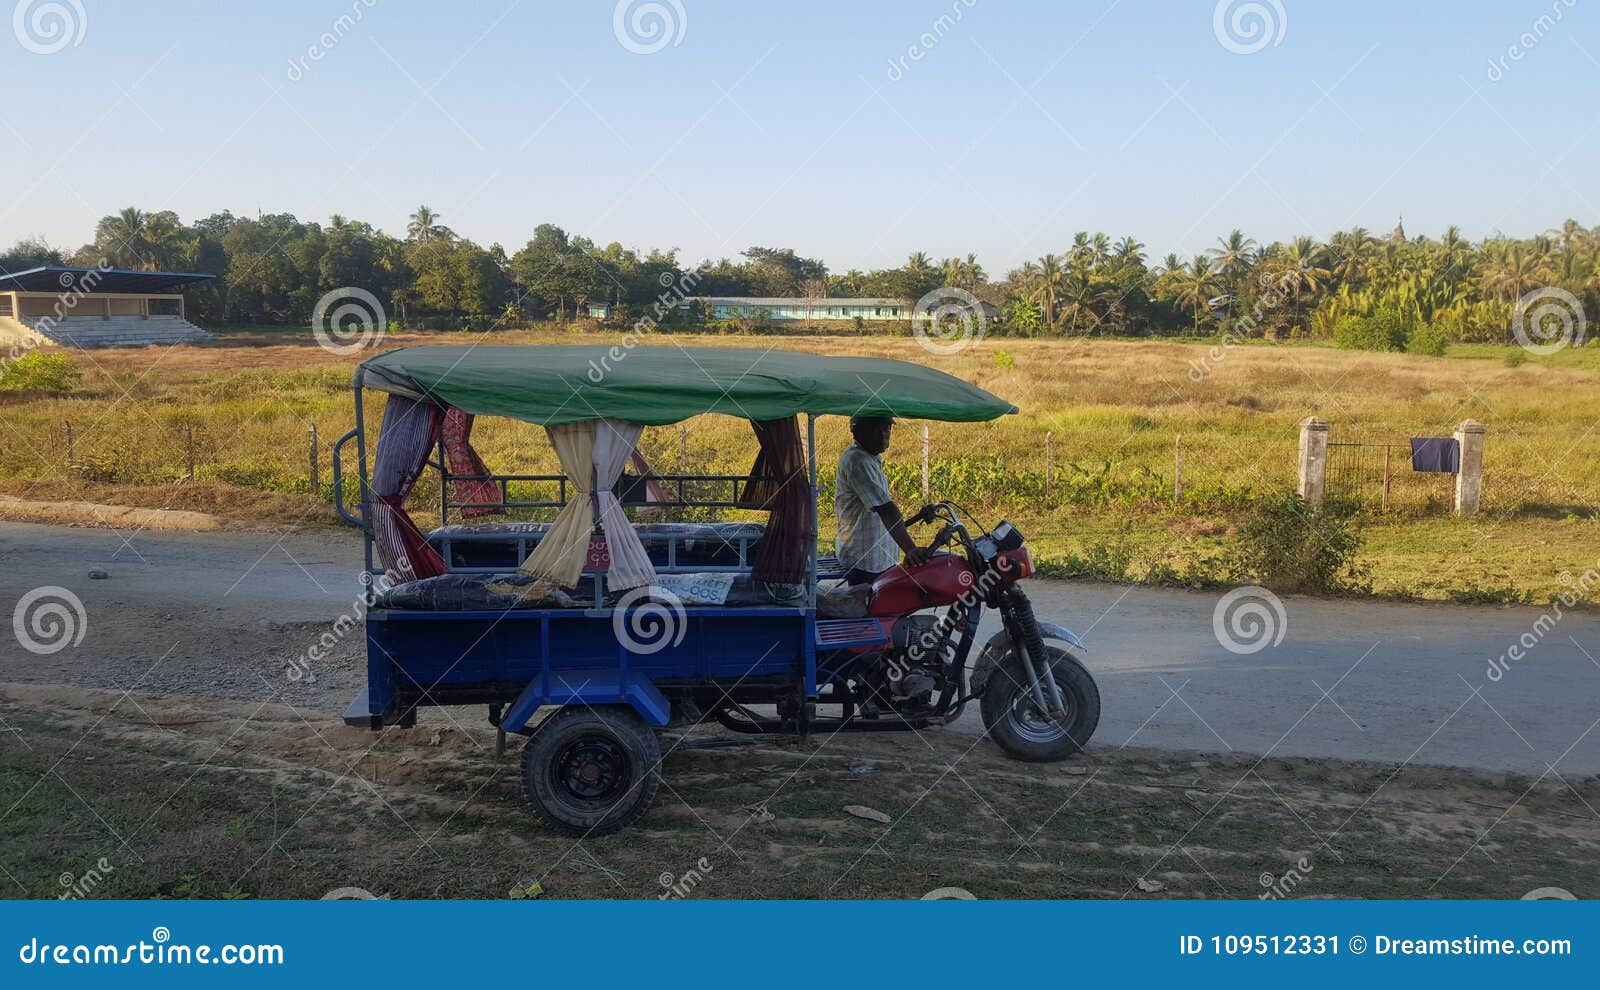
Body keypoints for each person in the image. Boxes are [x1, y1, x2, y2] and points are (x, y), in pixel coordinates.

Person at [834, 415, 929, 586]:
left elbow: (878, 517)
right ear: (857, 432)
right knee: (877, 608)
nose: (883, 434)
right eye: (875, 429)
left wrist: (918, 516)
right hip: (865, 560)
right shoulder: (857, 460)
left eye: (886, 428)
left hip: (878, 556)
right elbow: (886, 510)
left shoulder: (870, 458)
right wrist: (910, 549)